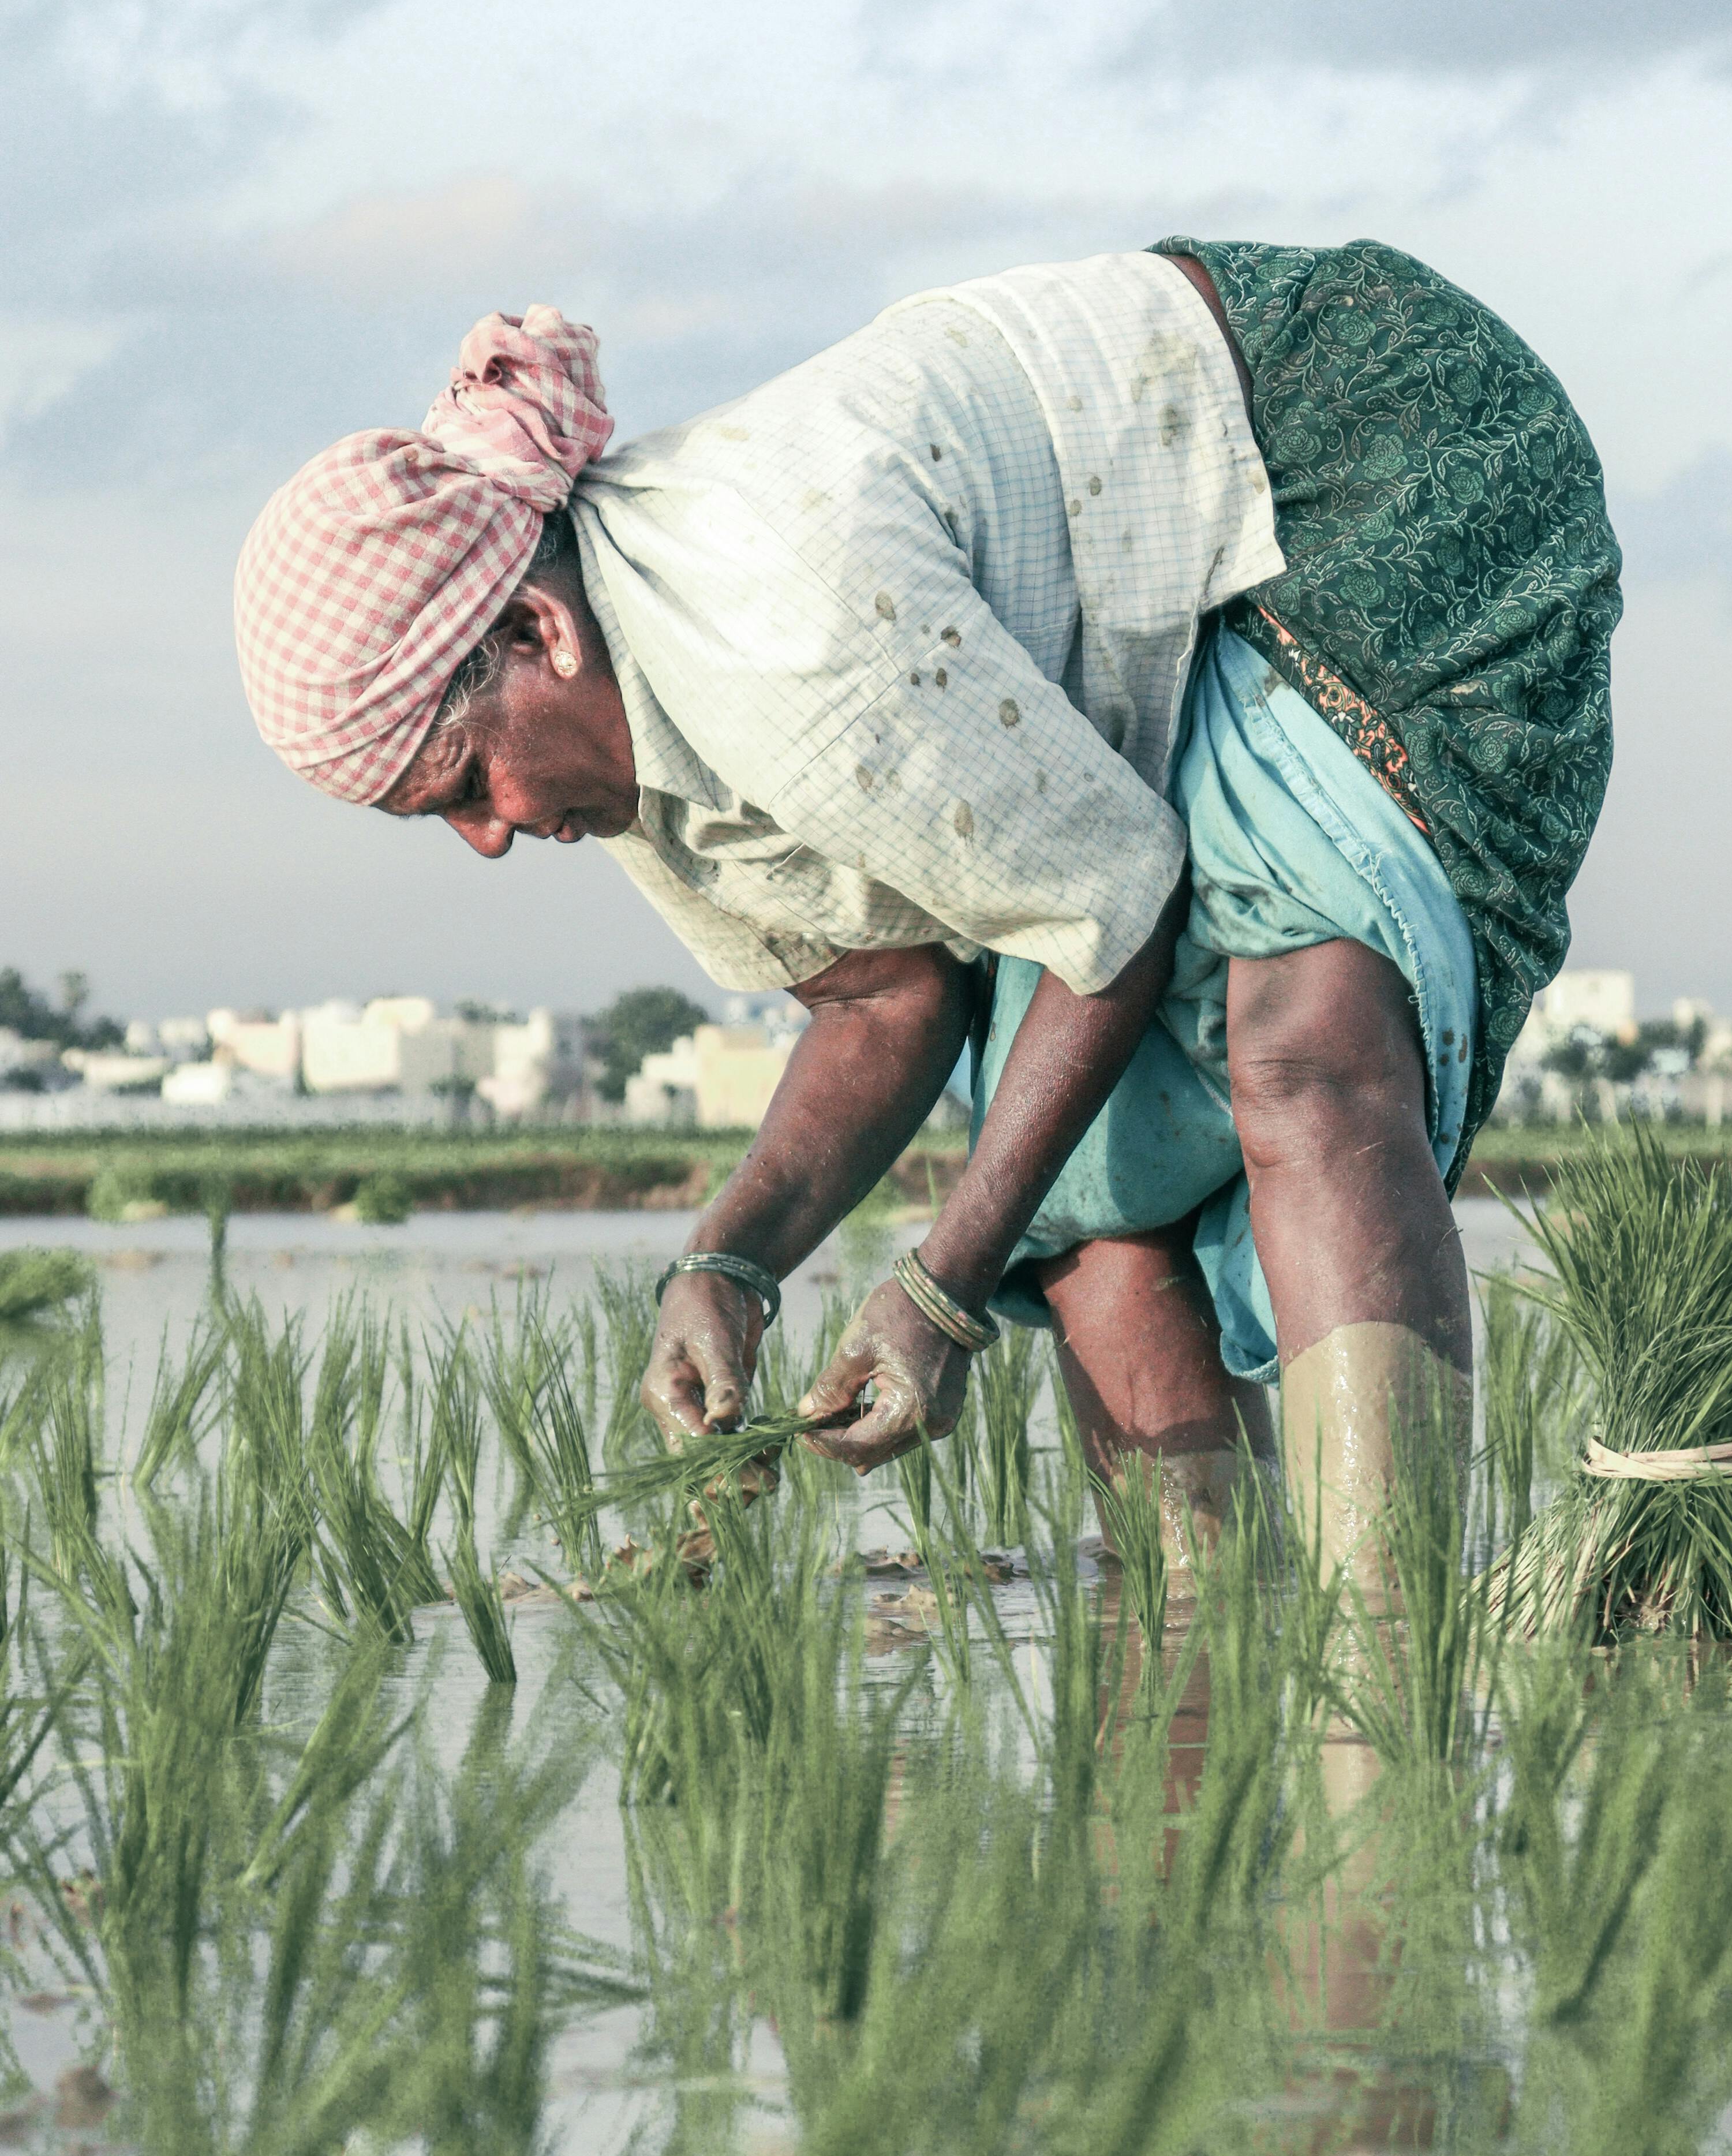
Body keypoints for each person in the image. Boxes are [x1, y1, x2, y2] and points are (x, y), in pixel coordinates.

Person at [233, 242, 1619, 1570]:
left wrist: (942, 1294)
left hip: (1340, 448)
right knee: (1078, 1192)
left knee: (1301, 1042)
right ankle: (1200, 1663)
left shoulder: (786, 636)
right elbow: (880, 992)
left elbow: (1116, 919)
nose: (485, 840)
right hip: (1139, 614)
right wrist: (729, 1265)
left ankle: (1393, 1647)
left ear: (542, 632)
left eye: (468, 782)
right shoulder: (618, 742)